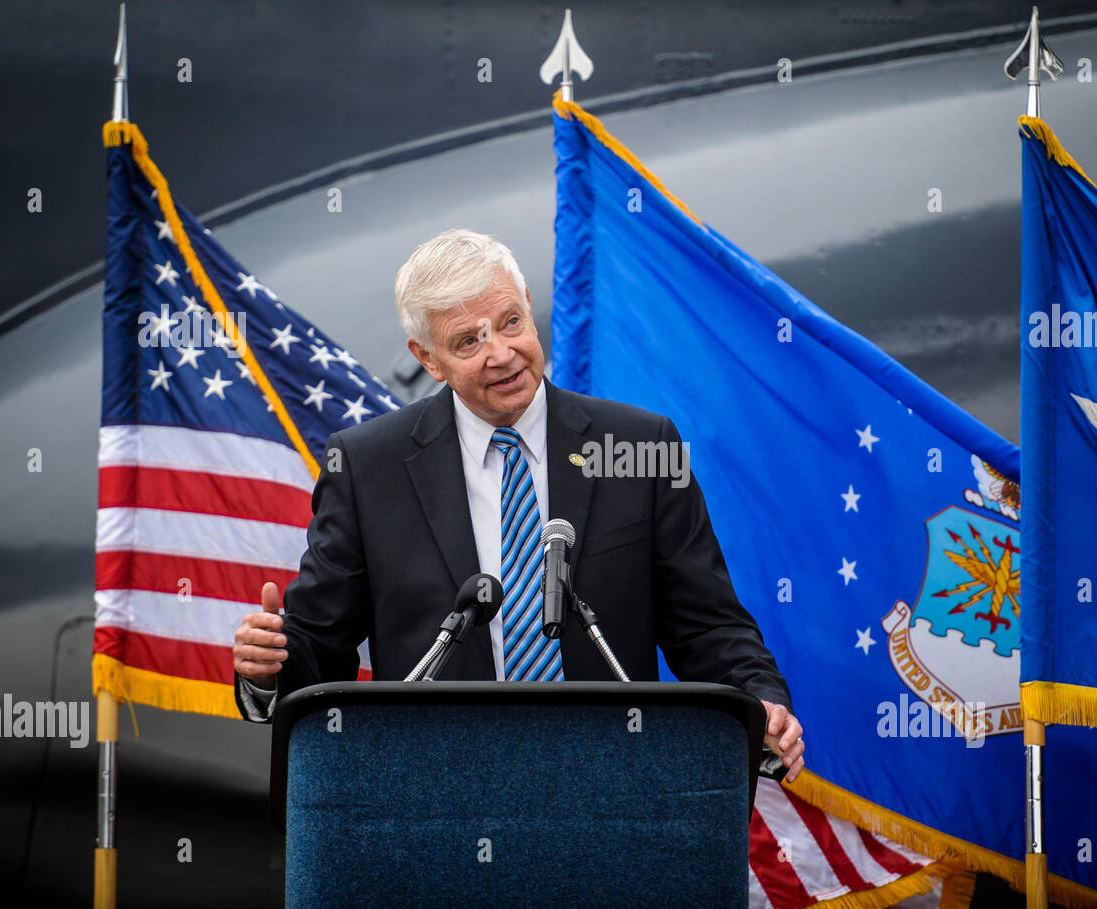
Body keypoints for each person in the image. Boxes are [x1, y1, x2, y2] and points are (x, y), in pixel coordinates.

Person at [232, 229, 805, 780]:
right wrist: (270, 666)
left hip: (613, 790)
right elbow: (317, 651)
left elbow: (706, 625)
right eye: (468, 341)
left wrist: (760, 703)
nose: (502, 354)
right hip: (436, 799)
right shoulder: (366, 468)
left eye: (510, 322)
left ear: (529, 305)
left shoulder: (637, 447)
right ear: (428, 359)